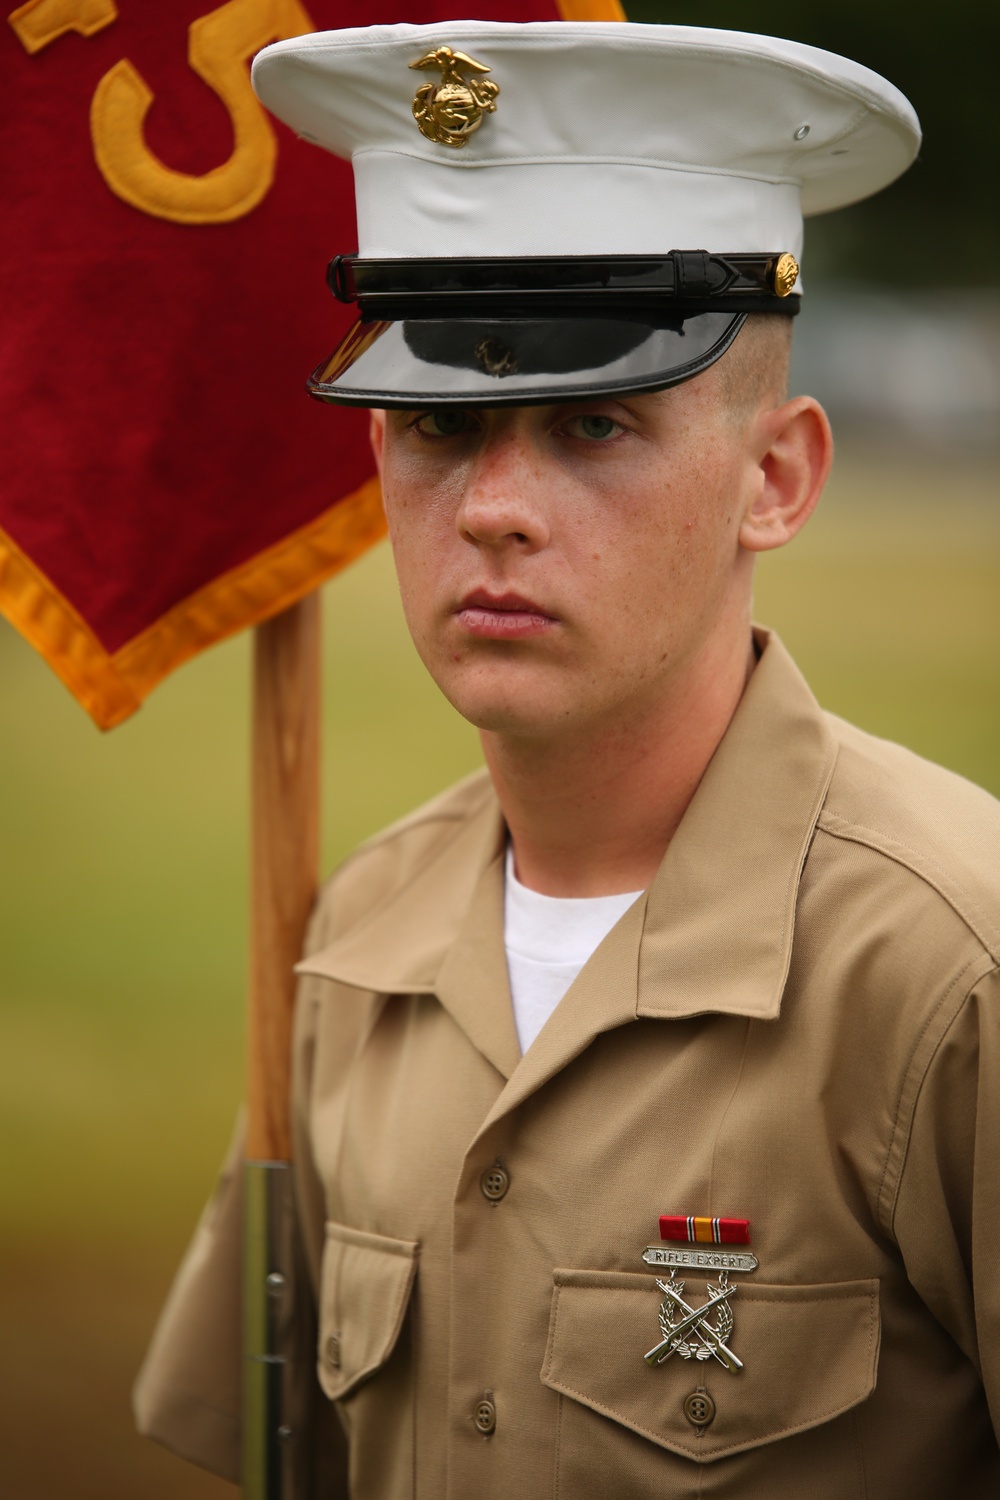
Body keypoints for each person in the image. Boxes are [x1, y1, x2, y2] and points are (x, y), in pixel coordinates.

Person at [134, 21, 1000, 1499]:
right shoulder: (357, 940)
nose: (494, 508)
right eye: (432, 423)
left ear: (774, 477)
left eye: (595, 422)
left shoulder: (946, 966)